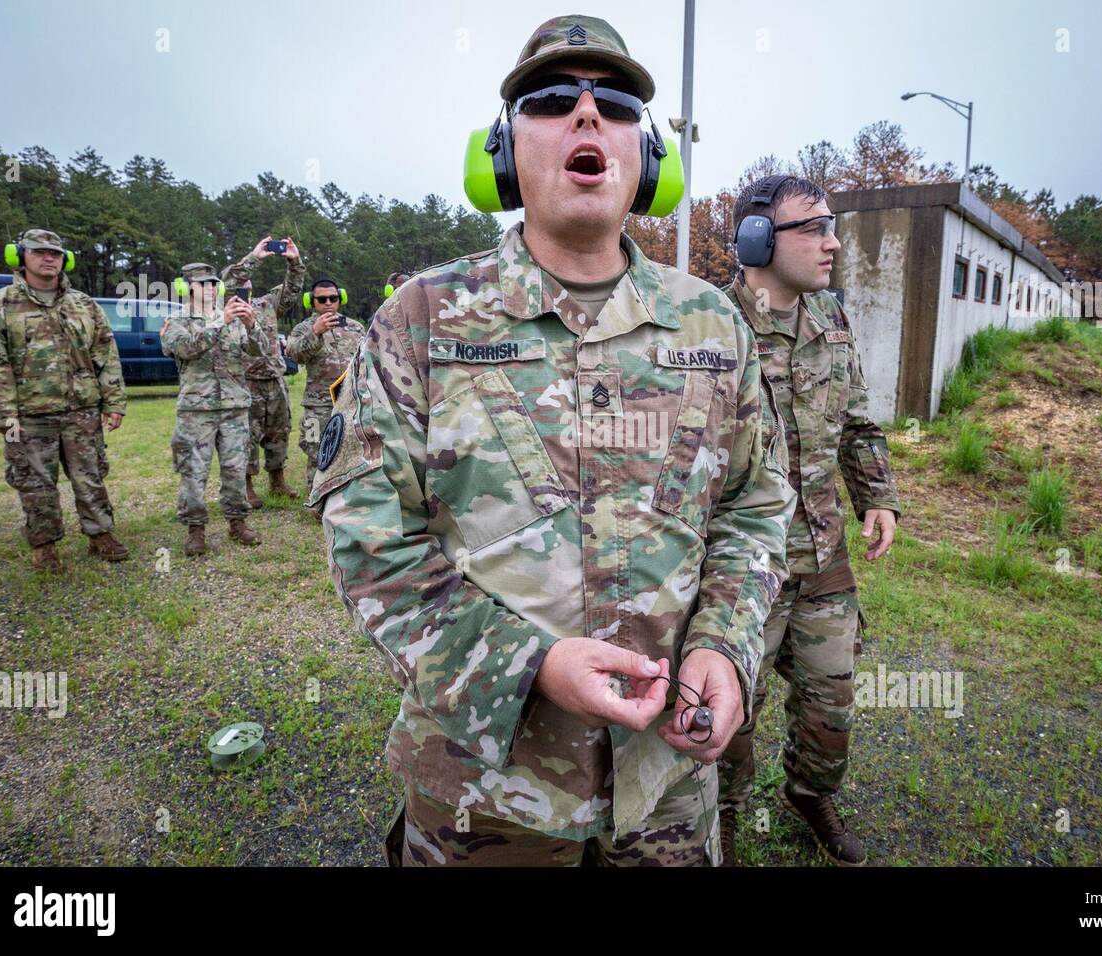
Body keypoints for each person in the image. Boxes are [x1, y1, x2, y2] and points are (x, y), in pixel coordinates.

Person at [310, 14, 794, 866]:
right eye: (548, 100)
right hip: (487, 798)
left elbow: (754, 506)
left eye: (614, 102)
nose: (586, 116)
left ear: (650, 160)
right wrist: (529, 664)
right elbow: (369, 542)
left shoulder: (714, 324)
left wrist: (725, 643)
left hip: (669, 788)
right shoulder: (420, 320)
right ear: (501, 151)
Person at [719, 175, 902, 866]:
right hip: (741, 564)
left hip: (823, 555)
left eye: (833, 227)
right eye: (814, 228)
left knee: (832, 703)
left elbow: (856, 422)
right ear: (757, 239)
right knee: (731, 708)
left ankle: (809, 791)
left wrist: (877, 496)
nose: (831, 243)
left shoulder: (831, 319)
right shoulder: (709, 328)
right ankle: (723, 812)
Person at [0, 228, 128, 570]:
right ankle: (44, 546)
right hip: (27, 417)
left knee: (91, 478)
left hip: (81, 413)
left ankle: (100, 534)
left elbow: (106, 354)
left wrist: (113, 401)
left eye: (55, 254)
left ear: (64, 260)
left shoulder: (84, 305)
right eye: (39, 252)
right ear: (19, 256)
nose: (48, 258)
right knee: (35, 484)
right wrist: (4, 416)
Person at [161, 262, 267, 556]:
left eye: (212, 284)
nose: (208, 289)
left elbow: (261, 350)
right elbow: (186, 349)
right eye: (201, 284)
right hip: (197, 410)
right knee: (193, 473)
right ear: (186, 288)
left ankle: (238, 522)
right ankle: (195, 529)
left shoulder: (235, 319)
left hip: (234, 407)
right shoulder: (176, 320)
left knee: (235, 470)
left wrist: (251, 325)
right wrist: (219, 321)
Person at [222, 236, 305, 506]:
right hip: (244, 381)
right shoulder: (223, 309)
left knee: (279, 431)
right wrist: (255, 258)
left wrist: (294, 262)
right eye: (240, 280)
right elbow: (231, 279)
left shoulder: (266, 304)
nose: (244, 283)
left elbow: (292, 291)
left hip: (274, 379)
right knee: (246, 434)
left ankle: (277, 481)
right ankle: (245, 485)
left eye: (247, 280)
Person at [286, 278, 365, 496]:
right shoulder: (303, 328)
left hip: (350, 400)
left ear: (341, 298)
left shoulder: (355, 327)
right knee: (316, 449)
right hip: (318, 404)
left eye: (333, 298)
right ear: (311, 302)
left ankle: (347, 493)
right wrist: (315, 332)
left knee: (352, 446)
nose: (328, 302)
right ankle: (317, 496)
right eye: (322, 299)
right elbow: (294, 355)